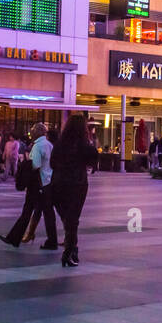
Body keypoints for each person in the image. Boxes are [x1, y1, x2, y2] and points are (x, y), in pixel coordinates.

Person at [51, 114, 96, 267]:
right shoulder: (84, 145)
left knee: (67, 219)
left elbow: (52, 163)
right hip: (77, 184)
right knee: (73, 219)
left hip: (58, 184)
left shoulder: (60, 144)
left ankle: (72, 250)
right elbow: (93, 160)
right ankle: (70, 251)